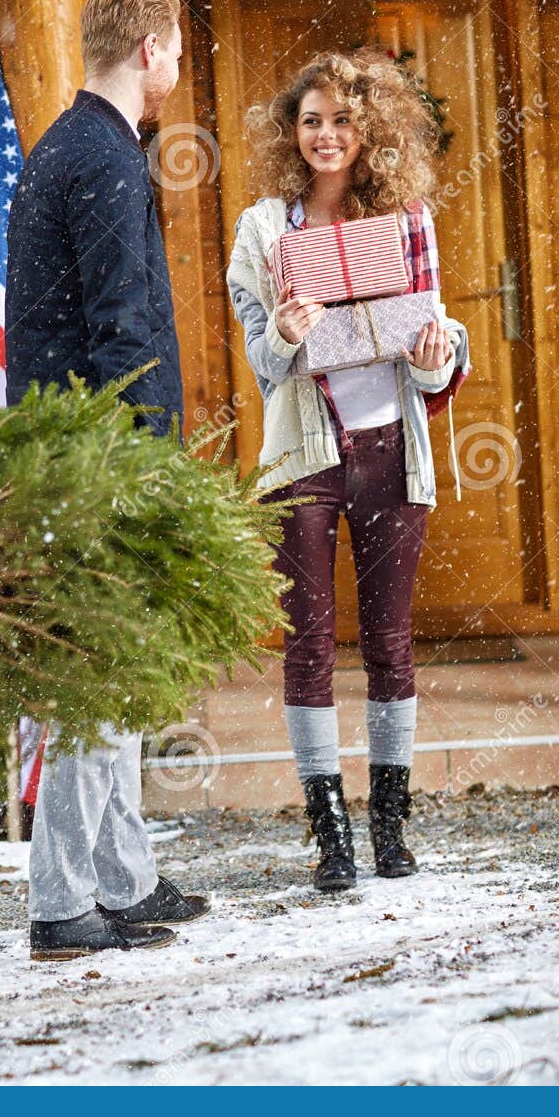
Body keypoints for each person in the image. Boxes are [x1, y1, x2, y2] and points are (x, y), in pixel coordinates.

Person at [226, 50, 469, 893]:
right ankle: (329, 835)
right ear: (292, 136)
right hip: (304, 457)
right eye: (311, 120)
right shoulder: (261, 230)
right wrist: (289, 334)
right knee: (308, 645)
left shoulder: (405, 222)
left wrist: (438, 358)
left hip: (390, 452)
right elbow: (263, 363)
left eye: (341, 120)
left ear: (368, 131)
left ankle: (390, 827)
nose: (326, 135)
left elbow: (434, 352)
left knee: (392, 644)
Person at [5, 0, 210, 960]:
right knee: (91, 678)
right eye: (175, 50)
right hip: (95, 461)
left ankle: (121, 878)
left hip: (62, 450)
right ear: (147, 50)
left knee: (113, 676)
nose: (176, 66)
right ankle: (59, 898)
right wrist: (145, 462)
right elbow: (118, 322)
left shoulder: (66, 145)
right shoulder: (106, 159)